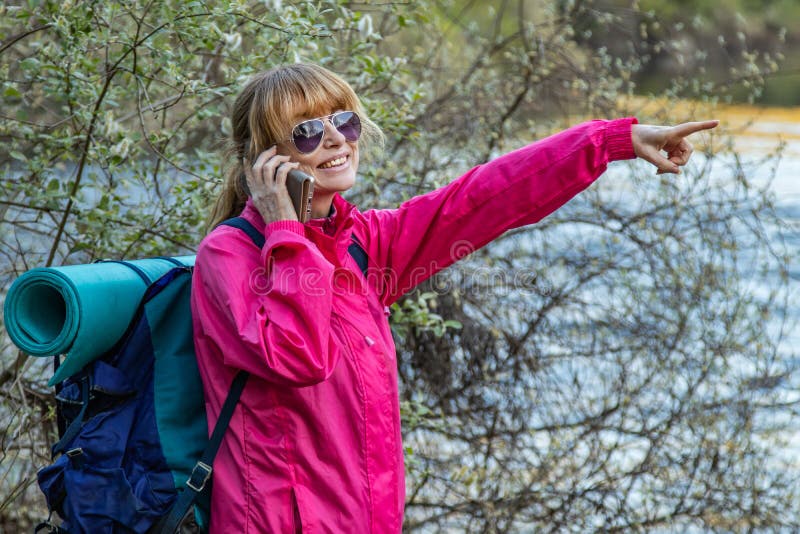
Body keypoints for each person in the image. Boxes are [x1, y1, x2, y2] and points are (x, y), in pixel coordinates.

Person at [190, 62, 718, 533]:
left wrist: (612, 142)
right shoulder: (230, 256)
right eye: (306, 131)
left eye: (343, 120)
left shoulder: (362, 246)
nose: (334, 139)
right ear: (263, 160)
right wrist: (286, 229)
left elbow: (484, 197)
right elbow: (297, 354)